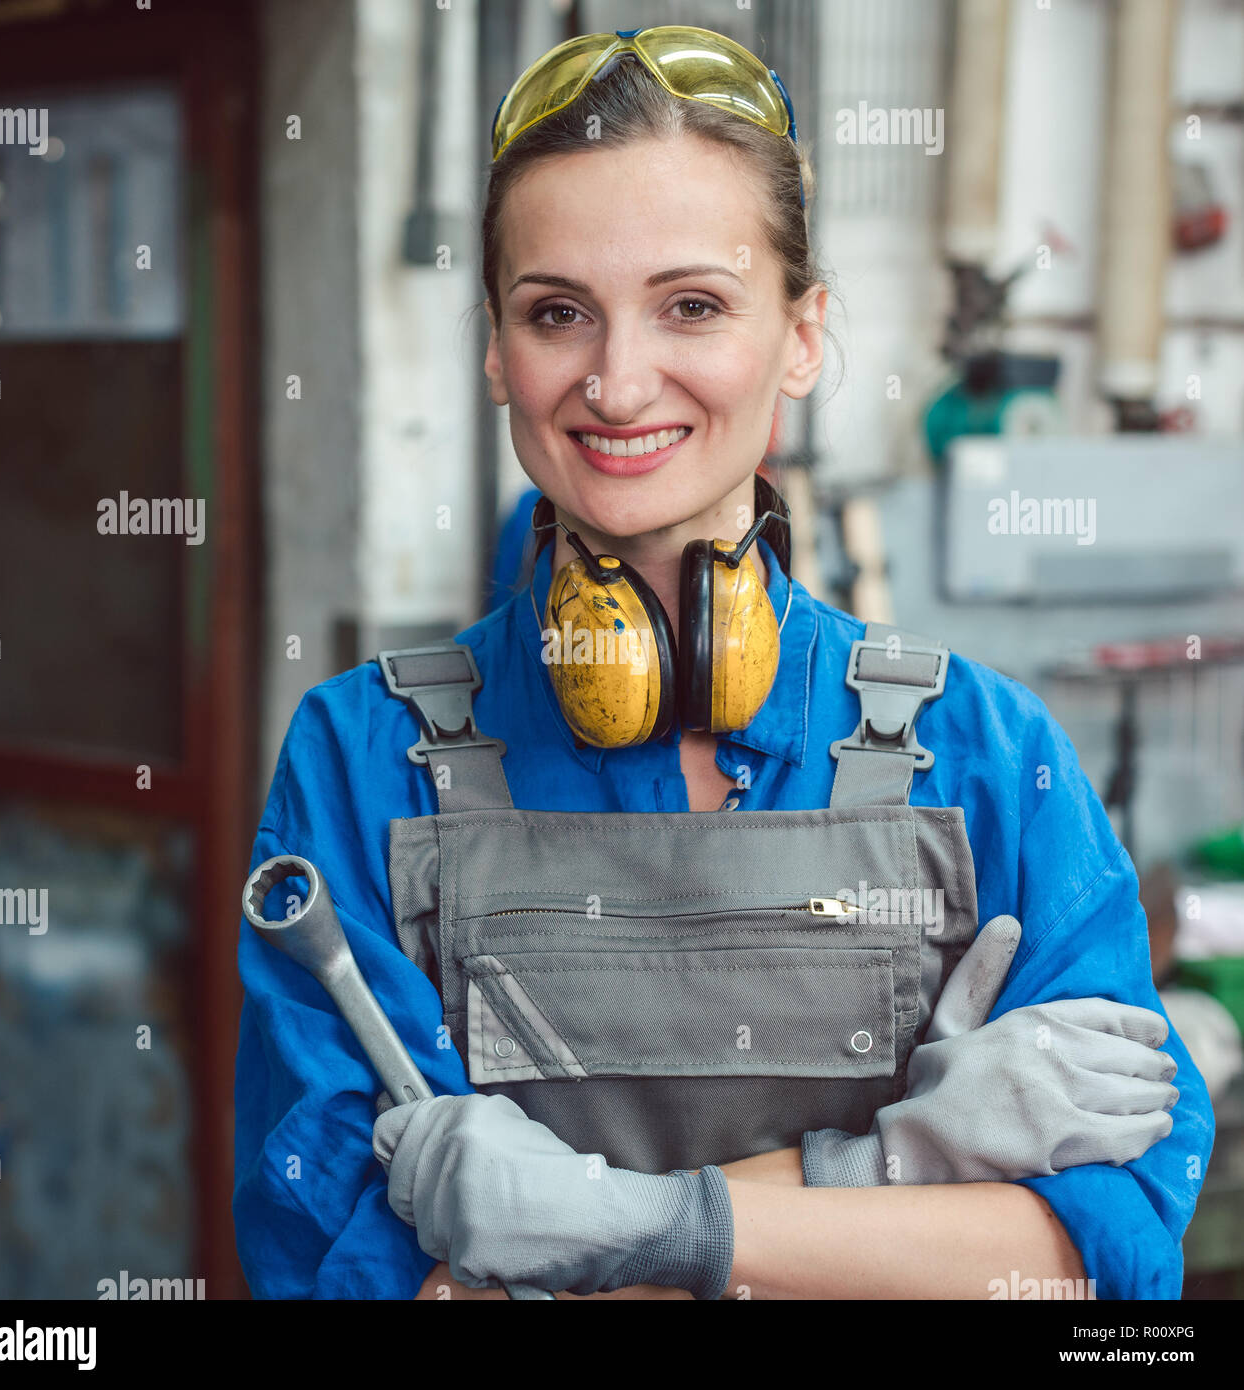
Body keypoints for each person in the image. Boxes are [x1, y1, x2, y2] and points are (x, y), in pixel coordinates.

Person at [233, 26, 1212, 1301]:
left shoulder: (988, 755)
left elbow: (1102, 1269)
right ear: (495, 349)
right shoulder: (363, 762)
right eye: (556, 314)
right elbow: (347, 1277)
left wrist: (620, 1227)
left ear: (801, 336)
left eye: (693, 305)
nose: (619, 382)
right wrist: (895, 1175)